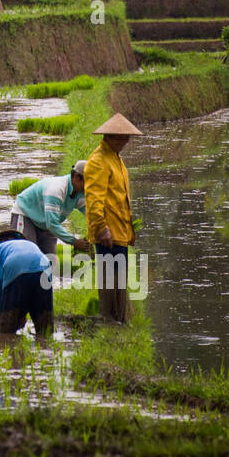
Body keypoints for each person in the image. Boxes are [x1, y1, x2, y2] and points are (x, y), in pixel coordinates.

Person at [83, 113, 142, 323]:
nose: (126, 142)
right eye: (123, 138)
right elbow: (94, 200)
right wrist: (101, 228)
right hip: (108, 232)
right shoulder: (99, 161)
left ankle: (119, 320)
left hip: (120, 230)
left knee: (120, 277)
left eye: (127, 138)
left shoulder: (116, 159)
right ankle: (109, 320)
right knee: (109, 277)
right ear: (110, 137)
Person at [0, 228, 54, 339]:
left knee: (6, 332)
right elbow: (31, 285)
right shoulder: (28, 244)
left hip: (15, 265)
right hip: (45, 267)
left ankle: (9, 350)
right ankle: (48, 352)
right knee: (45, 329)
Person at [11, 163, 92, 256]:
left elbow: (91, 215)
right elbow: (52, 224)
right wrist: (74, 241)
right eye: (87, 183)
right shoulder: (56, 189)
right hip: (25, 214)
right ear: (77, 177)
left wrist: (101, 231)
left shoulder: (80, 193)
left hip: (45, 220)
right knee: (27, 253)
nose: (88, 188)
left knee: (50, 260)